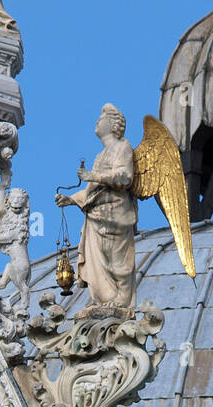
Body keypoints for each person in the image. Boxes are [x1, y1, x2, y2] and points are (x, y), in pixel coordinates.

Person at [56, 104, 138, 313]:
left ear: (112, 124)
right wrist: (71, 199)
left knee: (116, 260)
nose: (97, 122)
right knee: (99, 259)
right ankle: (104, 298)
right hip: (96, 214)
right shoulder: (101, 155)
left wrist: (93, 176)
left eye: (101, 119)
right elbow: (93, 191)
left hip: (116, 213)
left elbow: (125, 177)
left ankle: (121, 298)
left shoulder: (123, 147)